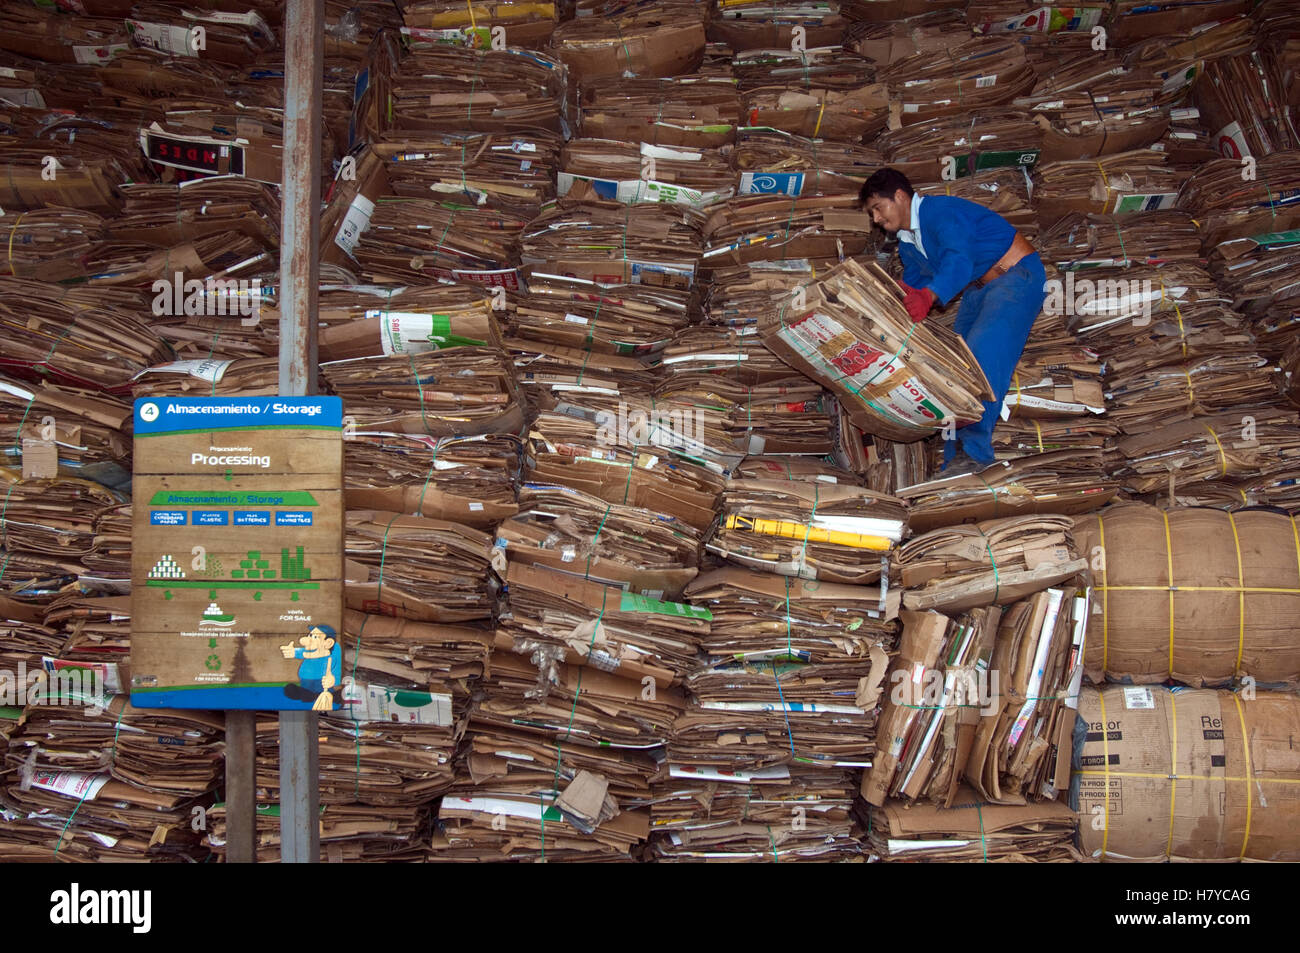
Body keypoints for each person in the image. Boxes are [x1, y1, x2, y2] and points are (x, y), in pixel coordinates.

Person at [859, 168, 1047, 476]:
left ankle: (975, 454)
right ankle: (955, 460)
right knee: (954, 369)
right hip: (980, 290)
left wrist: (928, 297)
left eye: (878, 208)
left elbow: (958, 261)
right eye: (872, 213)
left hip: (1016, 276)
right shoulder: (908, 242)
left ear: (900, 196)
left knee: (980, 359)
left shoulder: (939, 212)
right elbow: (916, 282)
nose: (876, 219)